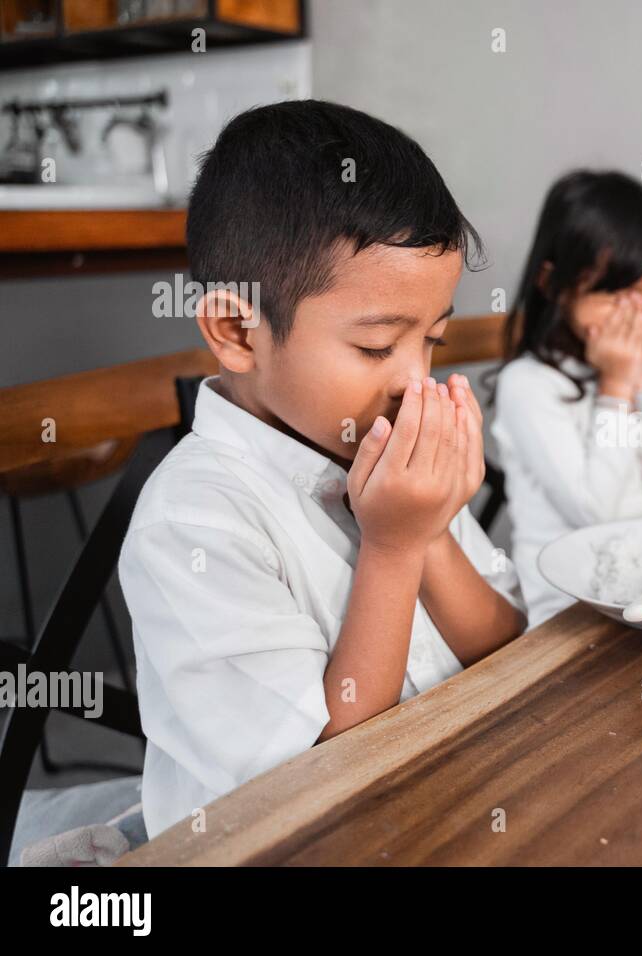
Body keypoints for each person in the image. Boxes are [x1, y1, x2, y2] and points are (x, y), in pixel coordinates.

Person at [118, 100, 527, 838]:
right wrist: (396, 548)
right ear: (237, 330)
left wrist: (429, 531)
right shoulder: (194, 521)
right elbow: (321, 776)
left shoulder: (390, 455)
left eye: (431, 340)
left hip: (440, 802)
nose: (414, 381)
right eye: (377, 347)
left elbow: (503, 649)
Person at [489, 171, 642, 628]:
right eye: (613, 295)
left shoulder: (631, 377)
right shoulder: (529, 385)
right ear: (553, 283)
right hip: (567, 614)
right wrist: (616, 389)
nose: (631, 316)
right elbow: (595, 512)